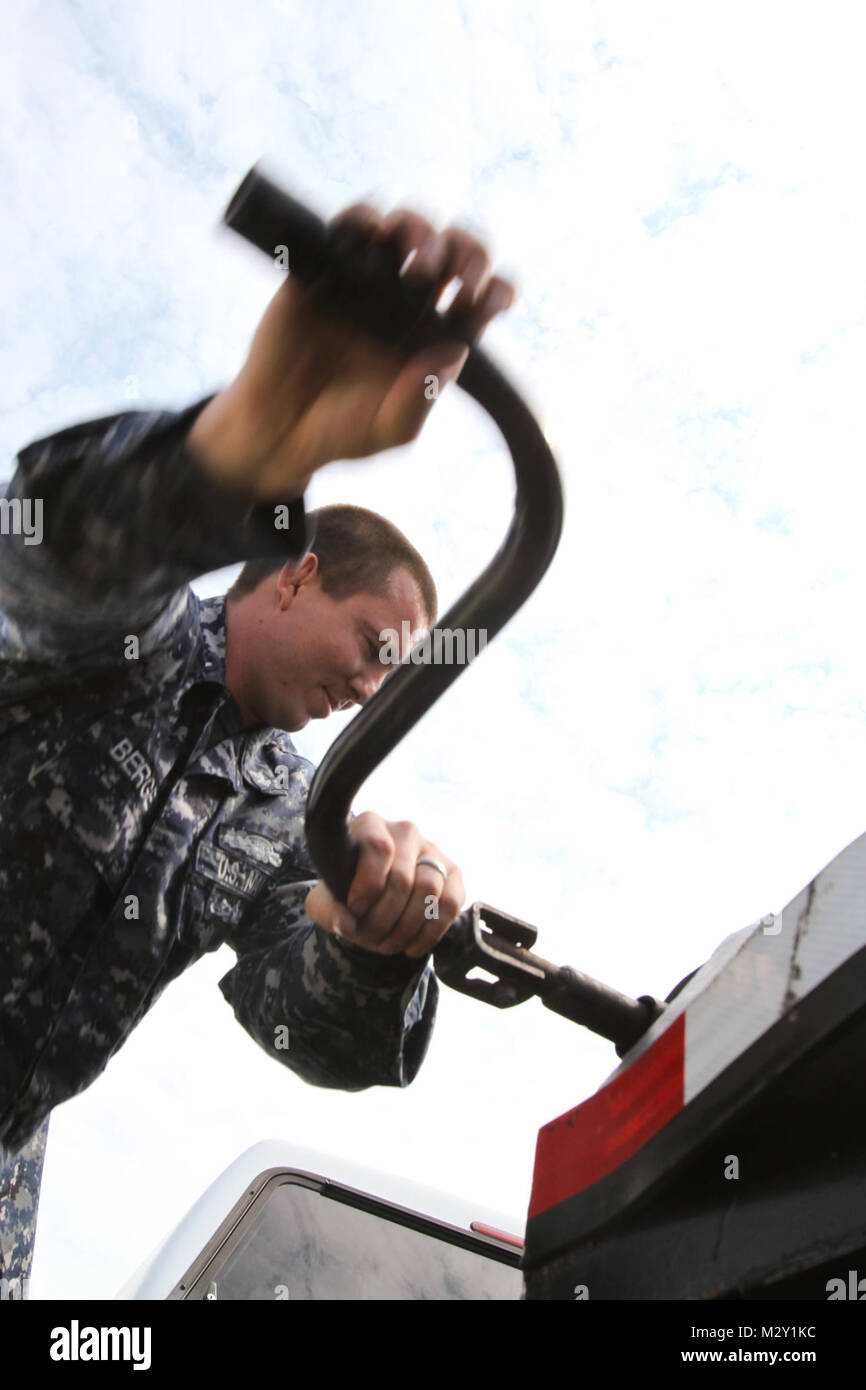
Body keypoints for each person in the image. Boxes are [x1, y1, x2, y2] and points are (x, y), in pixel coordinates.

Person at [0, 199, 517, 1297]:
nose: (374, 687)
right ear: (290, 575)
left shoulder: (290, 816)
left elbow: (308, 1024)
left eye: (398, 672)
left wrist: (370, 945)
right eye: (374, 644)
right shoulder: (128, 639)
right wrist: (237, 451)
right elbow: (37, 559)